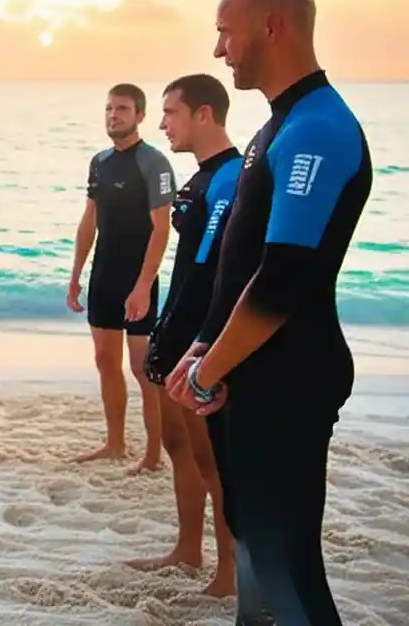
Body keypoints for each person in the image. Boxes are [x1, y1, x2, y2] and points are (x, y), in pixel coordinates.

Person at [168, 0, 372, 625]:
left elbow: (283, 280)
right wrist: (206, 344)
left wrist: (208, 370)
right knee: (255, 553)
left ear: (271, 27)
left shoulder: (316, 128)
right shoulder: (277, 127)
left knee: (287, 572)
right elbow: (241, 263)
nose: (219, 49)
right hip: (255, 372)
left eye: (226, 31)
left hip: (289, 374)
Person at [124, 74, 241, 596]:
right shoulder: (197, 180)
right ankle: (188, 549)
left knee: (211, 460)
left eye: (171, 112)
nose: (164, 122)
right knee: (178, 445)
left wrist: (194, 346)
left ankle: (230, 572)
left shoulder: (230, 178)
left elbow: (210, 272)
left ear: (205, 114)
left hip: (203, 341)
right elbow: (185, 269)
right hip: (176, 334)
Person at [67, 83, 175, 472]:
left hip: (138, 277)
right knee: (104, 360)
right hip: (104, 275)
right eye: (110, 109)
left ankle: (153, 455)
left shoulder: (154, 162)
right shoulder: (99, 162)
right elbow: (90, 218)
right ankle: (115, 444)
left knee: (143, 367)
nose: (114, 115)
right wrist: (76, 273)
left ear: (140, 115)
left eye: (123, 109)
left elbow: (161, 229)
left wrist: (144, 285)